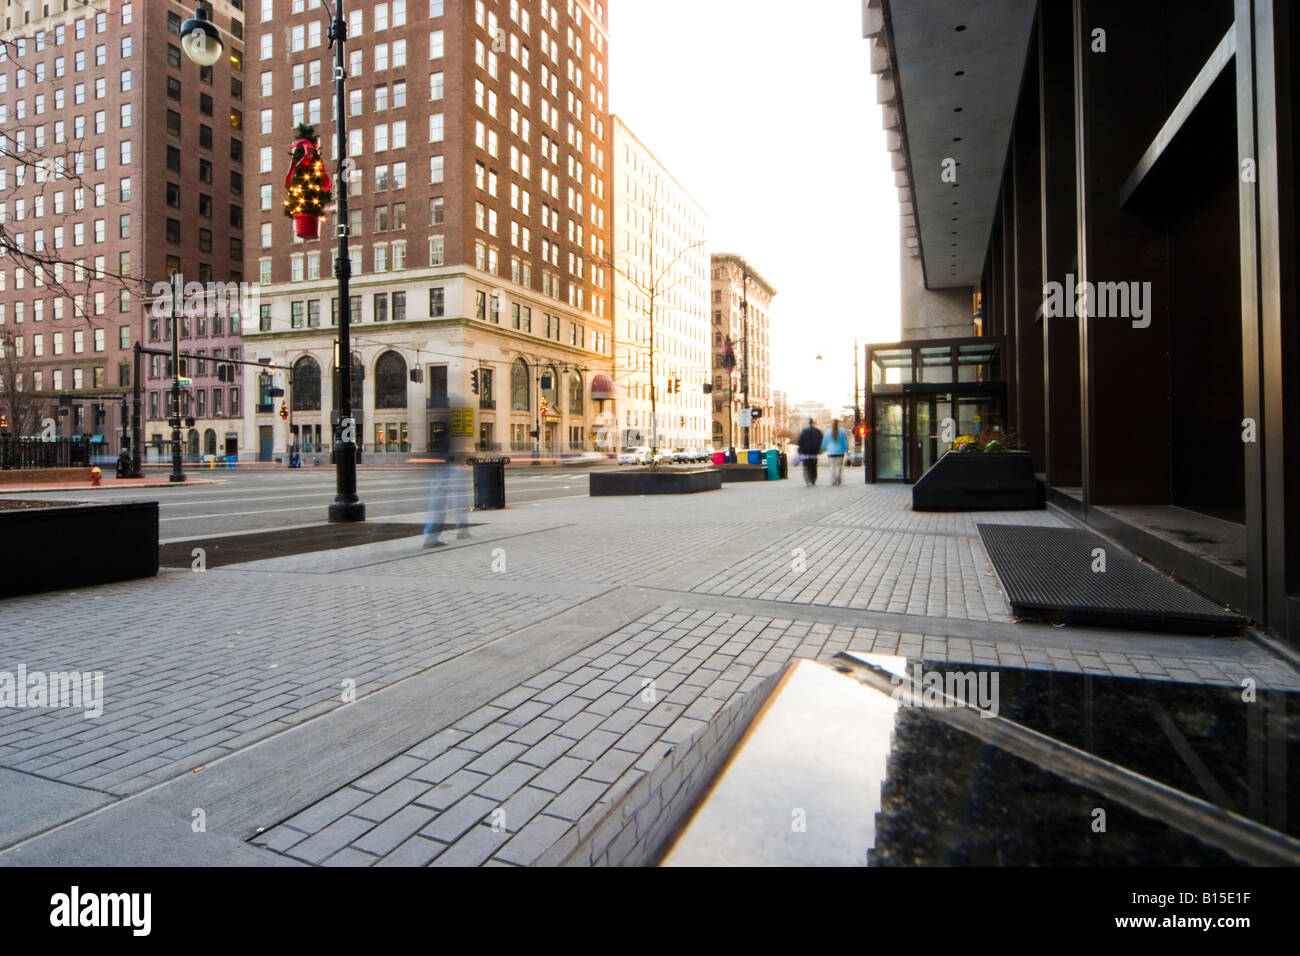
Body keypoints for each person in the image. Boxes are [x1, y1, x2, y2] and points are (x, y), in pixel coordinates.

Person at [423, 456, 471, 548]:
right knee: (456, 497)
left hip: (440, 464)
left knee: (438, 501)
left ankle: (431, 537)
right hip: (445, 463)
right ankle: (431, 538)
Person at [797, 418, 823, 486]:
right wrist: (819, 450)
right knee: (813, 467)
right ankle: (813, 479)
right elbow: (821, 442)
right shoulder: (818, 431)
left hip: (805, 453)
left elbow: (800, 441)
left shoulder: (804, 431)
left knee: (806, 467)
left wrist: (800, 450)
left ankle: (807, 479)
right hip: (814, 453)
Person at [822, 418, 849, 485]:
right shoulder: (842, 432)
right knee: (839, 467)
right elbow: (845, 442)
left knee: (832, 467)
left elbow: (825, 442)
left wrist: (822, 449)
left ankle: (833, 481)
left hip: (831, 452)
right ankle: (838, 479)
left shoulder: (828, 432)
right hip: (840, 452)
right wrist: (847, 451)